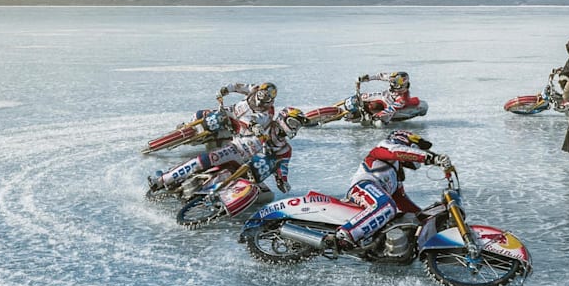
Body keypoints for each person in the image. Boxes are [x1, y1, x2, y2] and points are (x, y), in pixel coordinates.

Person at [332, 129, 452, 248]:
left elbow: (402, 202)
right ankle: (345, 234)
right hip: (363, 186)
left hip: (374, 194)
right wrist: (431, 158)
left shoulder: (395, 174)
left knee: (398, 213)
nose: (419, 151)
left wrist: (423, 216)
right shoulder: (386, 145)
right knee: (387, 206)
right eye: (418, 148)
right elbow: (395, 152)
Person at [150, 106, 307, 194]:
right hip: (236, 150)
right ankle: (164, 179)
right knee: (204, 160)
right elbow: (248, 118)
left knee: (262, 195)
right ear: (282, 119)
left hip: (249, 169)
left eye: (297, 127)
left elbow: (283, 166)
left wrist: (283, 181)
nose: (294, 129)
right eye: (293, 123)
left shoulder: (285, 148)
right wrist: (254, 126)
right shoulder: (266, 120)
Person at [358, 71, 422, 122]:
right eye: (394, 79)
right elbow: (380, 76)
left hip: (391, 104)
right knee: (362, 97)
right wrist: (367, 78)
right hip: (384, 95)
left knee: (382, 120)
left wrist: (379, 114)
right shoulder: (393, 78)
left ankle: (376, 119)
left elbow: (392, 108)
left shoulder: (403, 97)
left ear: (404, 82)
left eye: (397, 80)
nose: (392, 81)